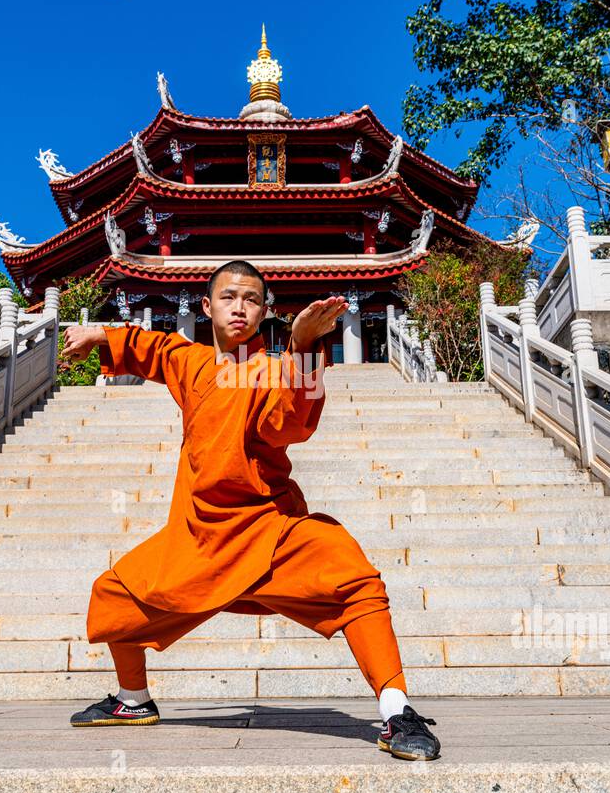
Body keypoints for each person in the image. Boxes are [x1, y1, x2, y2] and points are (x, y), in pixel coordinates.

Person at [55, 261, 440, 761]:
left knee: (355, 577)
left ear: (265, 311)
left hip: (270, 527)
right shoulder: (186, 359)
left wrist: (303, 347)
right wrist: (95, 332)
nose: (240, 307)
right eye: (230, 296)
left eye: (253, 299)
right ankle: (133, 701)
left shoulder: (275, 369)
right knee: (114, 594)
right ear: (206, 306)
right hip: (199, 534)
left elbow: (293, 425)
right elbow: (145, 346)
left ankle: (395, 712)